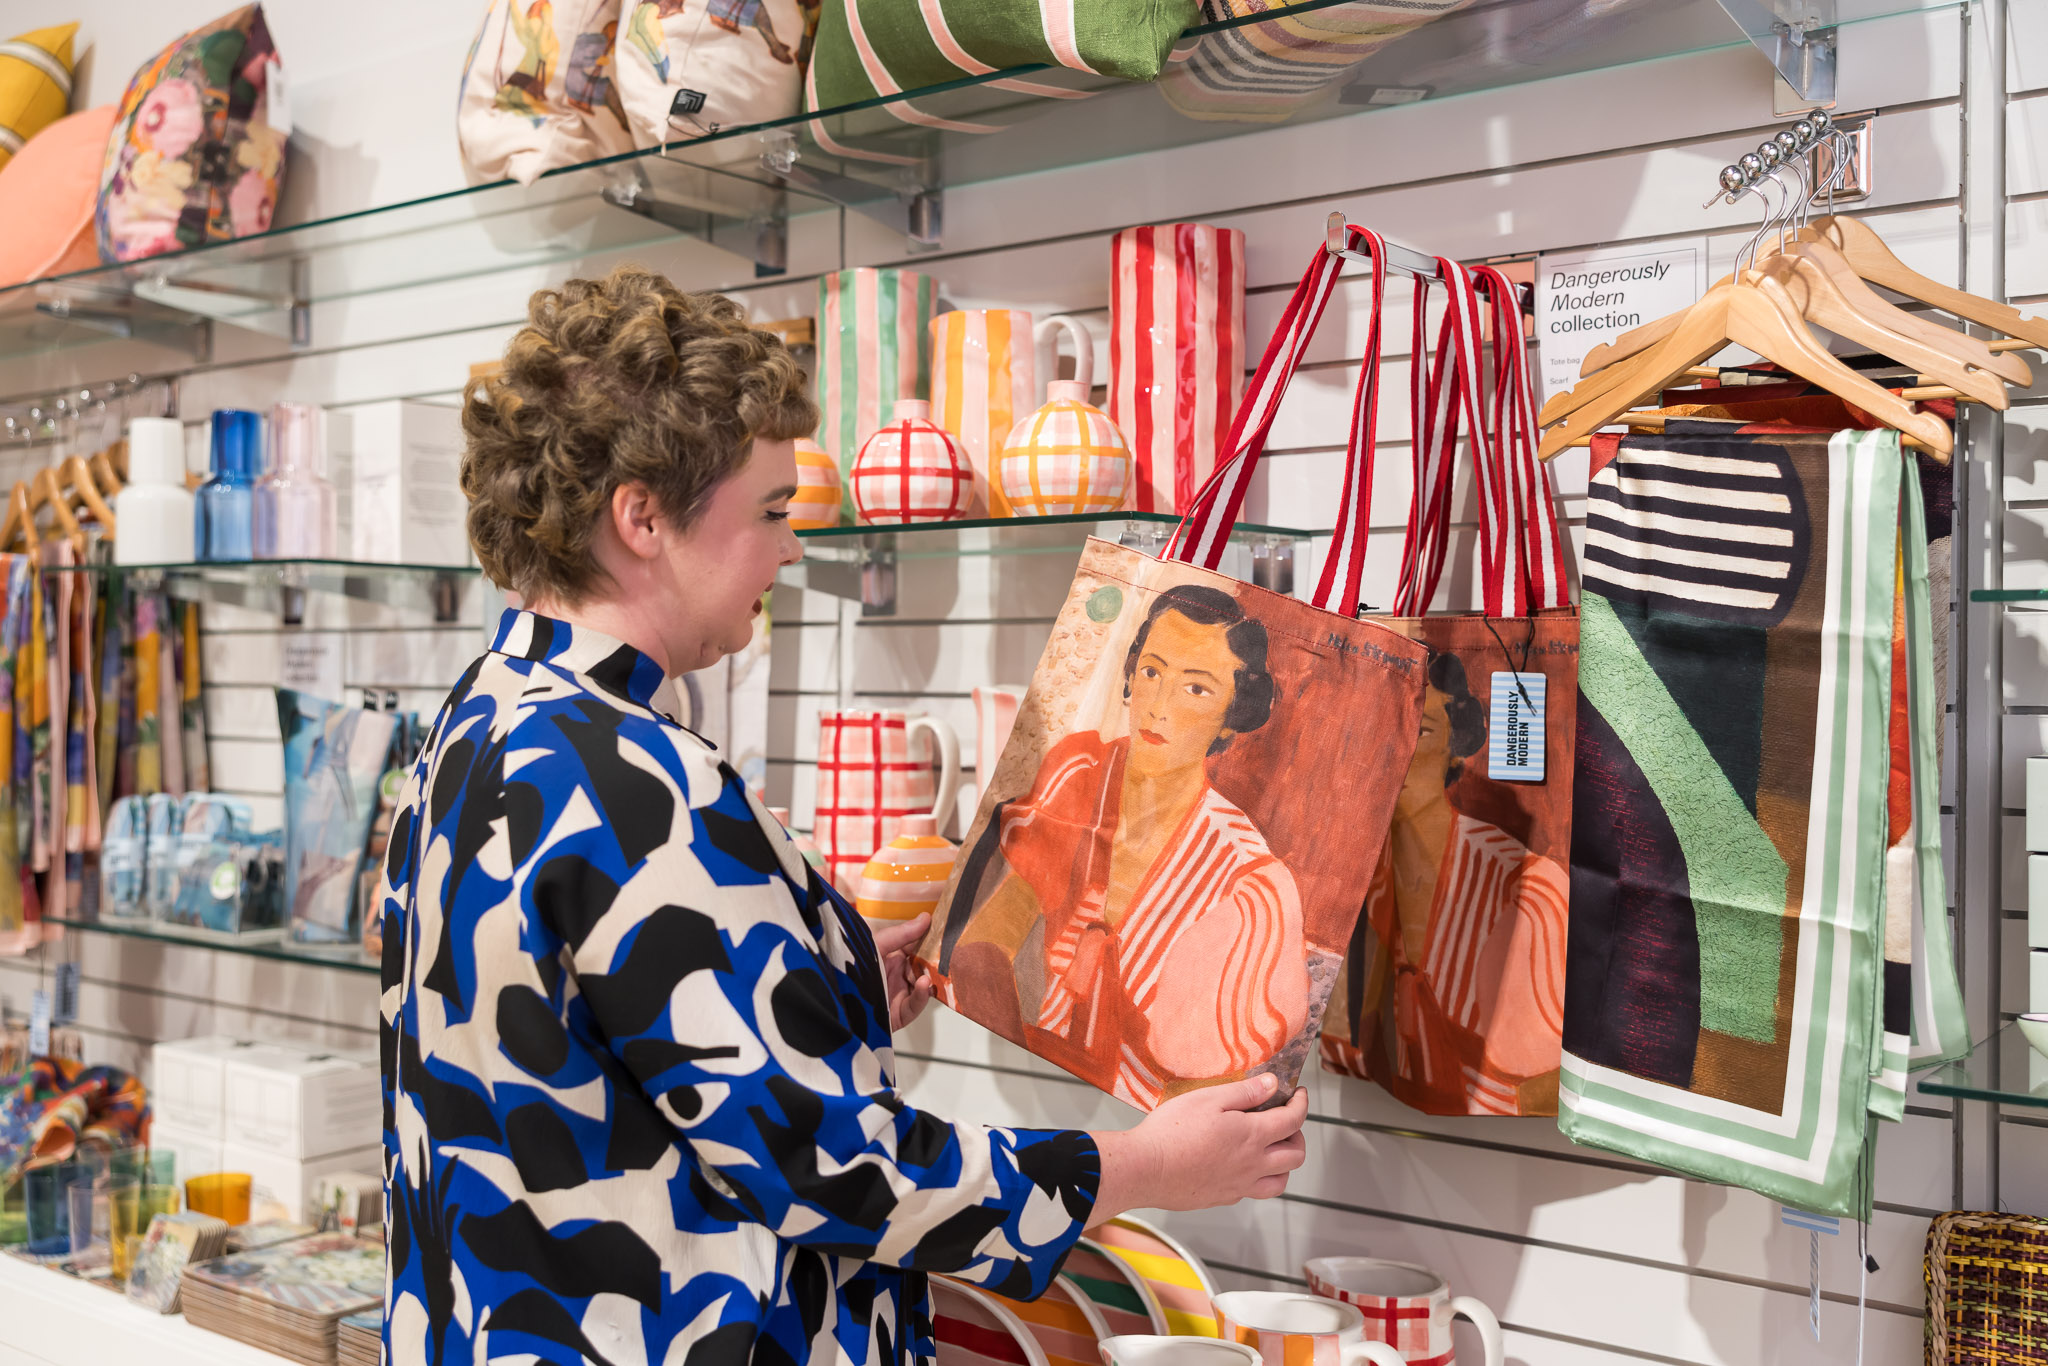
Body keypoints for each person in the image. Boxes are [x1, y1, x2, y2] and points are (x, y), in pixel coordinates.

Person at [376, 266, 1308, 1366]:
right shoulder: (637, 776)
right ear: (640, 518)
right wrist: (1145, 1167)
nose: (789, 550)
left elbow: (585, 1040)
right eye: (770, 512)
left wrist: (825, 984)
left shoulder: (481, 717)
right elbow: (844, 1172)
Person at [937, 584, 1308, 1109]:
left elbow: (1204, 1092)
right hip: (1020, 1084)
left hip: (1146, 1133)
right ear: (1131, 674)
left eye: (1196, 689)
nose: (1158, 705)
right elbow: (983, 946)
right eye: (1152, 672)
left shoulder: (1244, 881)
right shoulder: (1080, 775)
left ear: (1234, 713)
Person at [1350, 651, 1567, 1115]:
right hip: (1391, 1140)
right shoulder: (1360, 865)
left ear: (1457, 741)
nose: (1400, 747)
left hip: (1500, 1159)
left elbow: (1545, 1074)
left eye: (1423, 729)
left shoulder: (1523, 883)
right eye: (1389, 725)